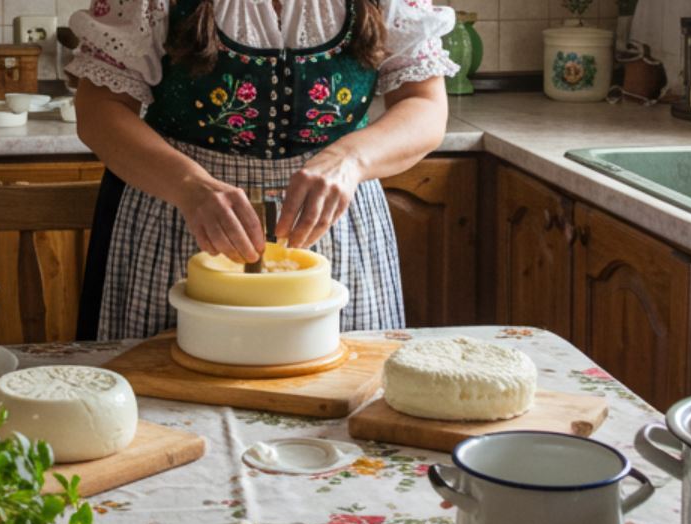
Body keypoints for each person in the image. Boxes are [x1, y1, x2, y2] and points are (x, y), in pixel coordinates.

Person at [67, 0, 457, 341]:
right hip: (180, 220)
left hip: (337, 227)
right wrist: (189, 185)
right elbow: (100, 109)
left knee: (342, 396)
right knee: (171, 403)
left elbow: (424, 105)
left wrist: (351, 160)